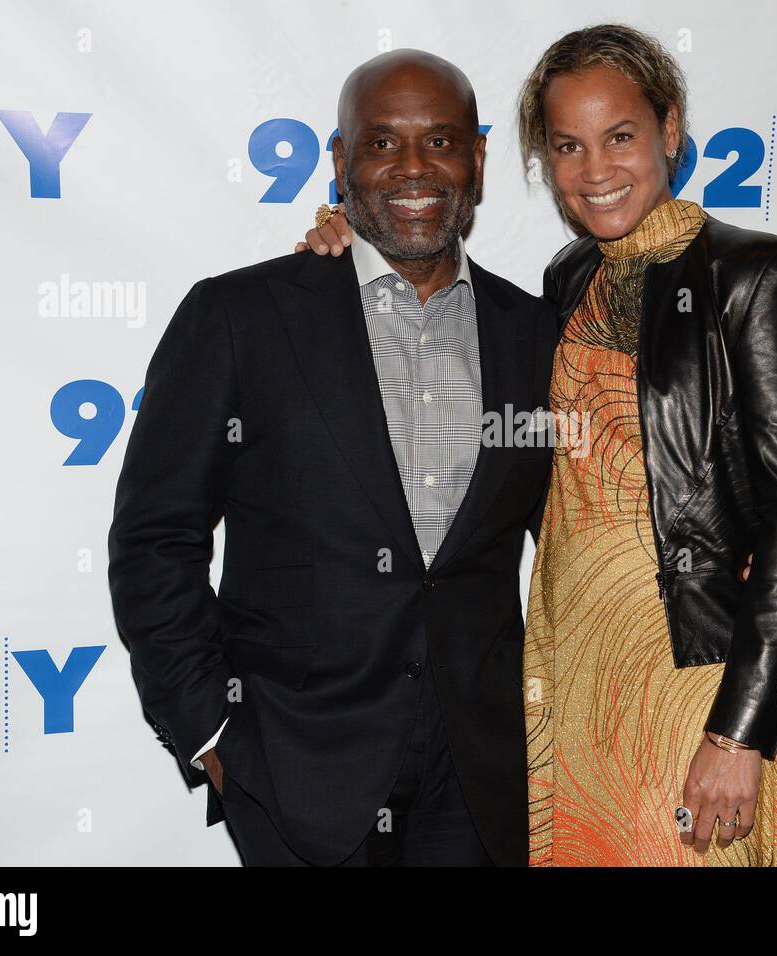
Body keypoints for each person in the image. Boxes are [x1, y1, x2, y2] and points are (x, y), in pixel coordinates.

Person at [302, 24, 777, 867]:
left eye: (620, 137)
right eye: (567, 147)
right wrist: (344, 241)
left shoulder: (753, 276)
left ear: (669, 131)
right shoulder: (569, 281)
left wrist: (740, 734)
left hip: (690, 677)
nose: (596, 170)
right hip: (566, 664)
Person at [108, 49, 558, 866]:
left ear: (479, 160)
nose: (414, 168)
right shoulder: (242, 316)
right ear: (341, 162)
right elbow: (154, 540)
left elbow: (579, 525)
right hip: (296, 773)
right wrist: (209, 728)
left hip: (482, 785)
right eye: (382, 144)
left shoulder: (535, 335)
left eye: (442, 141)